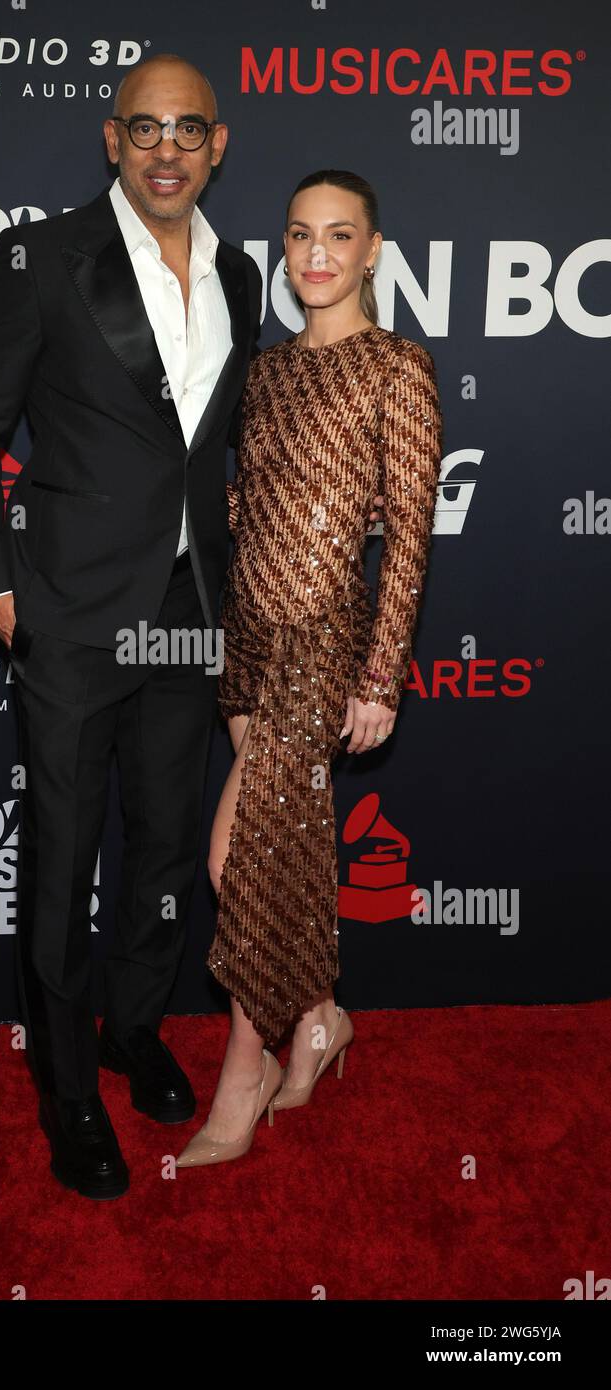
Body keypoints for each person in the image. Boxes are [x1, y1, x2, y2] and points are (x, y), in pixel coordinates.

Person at [0, 53, 266, 1201]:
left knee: (168, 843)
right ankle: (67, 1088)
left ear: (217, 144)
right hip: (70, 615)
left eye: (188, 129)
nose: (166, 149)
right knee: (63, 857)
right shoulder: (41, 258)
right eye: (143, 129)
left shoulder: (241, 271)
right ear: (110, 139)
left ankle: (133, 1029)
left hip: (185, 612)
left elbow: (214, 448)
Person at [176, 170, 443, 1168]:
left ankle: (241, 1073)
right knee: (283, 856)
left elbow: (408, 540)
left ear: (372, 250)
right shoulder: (266, 371)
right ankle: (321, 1017)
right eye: (298, 235)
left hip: (326, 643)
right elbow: (245, 512)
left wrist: (379, 675)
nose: (315, 254)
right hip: (250, 641)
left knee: (233, 860)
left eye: (338, 235)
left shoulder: (396, 369)